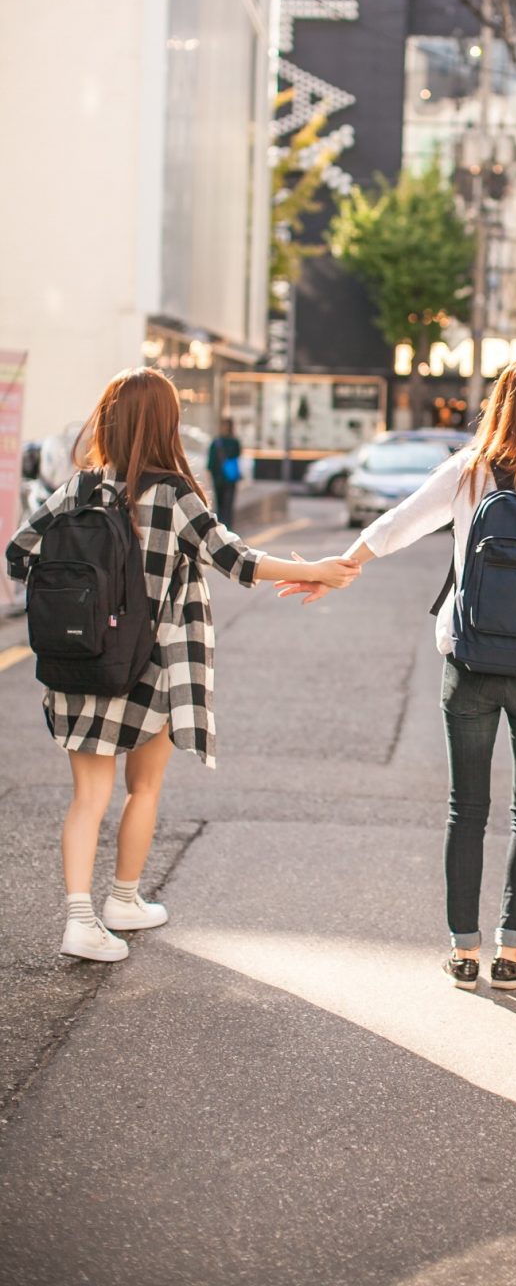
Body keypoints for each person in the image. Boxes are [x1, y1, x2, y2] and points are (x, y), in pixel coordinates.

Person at [280, 357, 516, 991]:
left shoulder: (472, 472)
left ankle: (464, 953)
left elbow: (397, 524)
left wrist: (337, 568)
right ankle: (513, 954)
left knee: (467, 808)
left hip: (471, 659)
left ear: (501, 405)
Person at [6, 368, 360, 964]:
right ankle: (122, 898)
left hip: (79, 662)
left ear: (109, 420)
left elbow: (19, 553)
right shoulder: (173, 493)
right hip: (153, 666)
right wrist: (319, 570)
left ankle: (78, 919)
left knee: (86, 798)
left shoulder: (78, 489)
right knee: (143, 787)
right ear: (167, 424)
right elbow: (237, 560)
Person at [207, 417, 242, 529]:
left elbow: (211, 462)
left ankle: (221, 527)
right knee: (227, 504)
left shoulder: (217, 442)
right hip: (229, 477)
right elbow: (237, 455)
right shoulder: (235, 442)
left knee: (221, 503)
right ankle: (227, 528)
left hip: (219, 478)